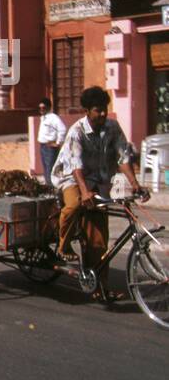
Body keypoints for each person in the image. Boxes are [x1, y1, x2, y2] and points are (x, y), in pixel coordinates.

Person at [51, 86, 147, 300]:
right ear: (87, 111)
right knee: (75, 204)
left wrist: (135, 184)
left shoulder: (112, 127)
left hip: (98, 182)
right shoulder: (77, 131)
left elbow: (123, 157)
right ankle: (62, 244)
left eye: (104, 109)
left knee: (99, 240)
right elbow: (75, 166)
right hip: (70, 178)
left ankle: (100, 287)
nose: (103, 113)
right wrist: (85, 192)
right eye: (97, 110)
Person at [37, 97, 66, 181]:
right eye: (40, 108)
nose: (41, 110)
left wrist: (58, 142)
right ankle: (48, 187)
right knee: (46, 168)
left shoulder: (53, 118)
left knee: (50, 168)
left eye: (43, 108)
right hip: (43, 146)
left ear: (49, 107)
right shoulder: (43, 118)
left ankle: (52, 188)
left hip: (50, 147)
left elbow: (62, 129)